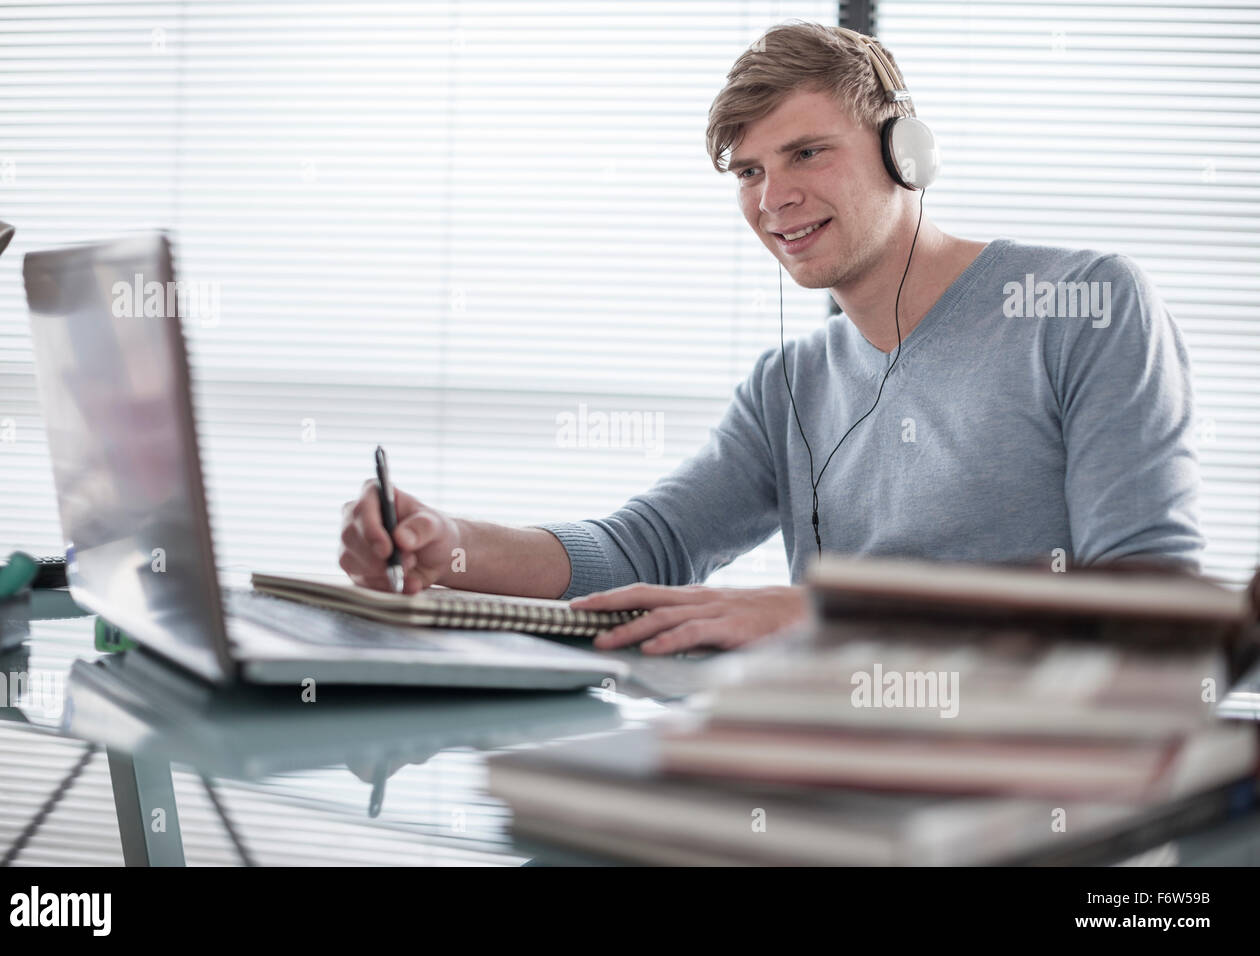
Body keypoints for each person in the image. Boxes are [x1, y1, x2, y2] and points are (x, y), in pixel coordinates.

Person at [338, 21, 1204, 655]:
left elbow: (1149, 596)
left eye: (806, 154)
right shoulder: (790, 380)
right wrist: (444, 542)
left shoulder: (1082, 303)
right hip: (825, 755)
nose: (772, 198)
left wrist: (826, 612)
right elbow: (644, 548)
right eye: (749, 172)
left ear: (906, 155)